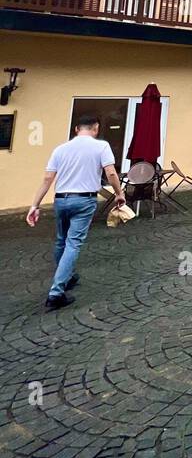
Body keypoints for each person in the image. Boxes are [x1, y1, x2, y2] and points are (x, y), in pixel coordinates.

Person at [26, 115, 125, 311]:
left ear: (76, 129)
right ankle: (56, 293)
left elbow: (47, 178)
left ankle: (67, 276)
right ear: (95, 129)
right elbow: (111, 173)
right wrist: (119, 193)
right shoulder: (101, 146)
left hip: (61, 199)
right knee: (73, 243)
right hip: (84, 200)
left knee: (61, 240)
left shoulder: (60, 149)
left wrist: (34, 205)